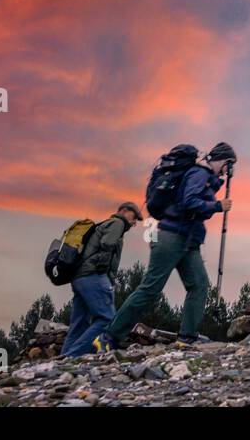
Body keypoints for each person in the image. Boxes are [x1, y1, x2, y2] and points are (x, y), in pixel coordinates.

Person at [94, 142, 235, 351]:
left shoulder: (205, 177)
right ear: (225, 160)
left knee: (199, 285)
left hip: (187, 241)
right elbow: (188, 201)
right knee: (150, 289)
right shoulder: (200, 173)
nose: (229, 171)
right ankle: (108, 337)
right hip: (172, 238)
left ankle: (187, 337)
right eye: (230, 165)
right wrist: (216, 206)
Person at [60, 202, 141, 357]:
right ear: (124, 211)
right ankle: (73, 356)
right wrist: (104, 275)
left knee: (79, 324)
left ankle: (62, 360)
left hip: (79, 278)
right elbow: (107, 244)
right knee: (107, 319)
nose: (134, 222)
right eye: (134, 217)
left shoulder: (104, 224)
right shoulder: (118, 223)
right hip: (93, 276)